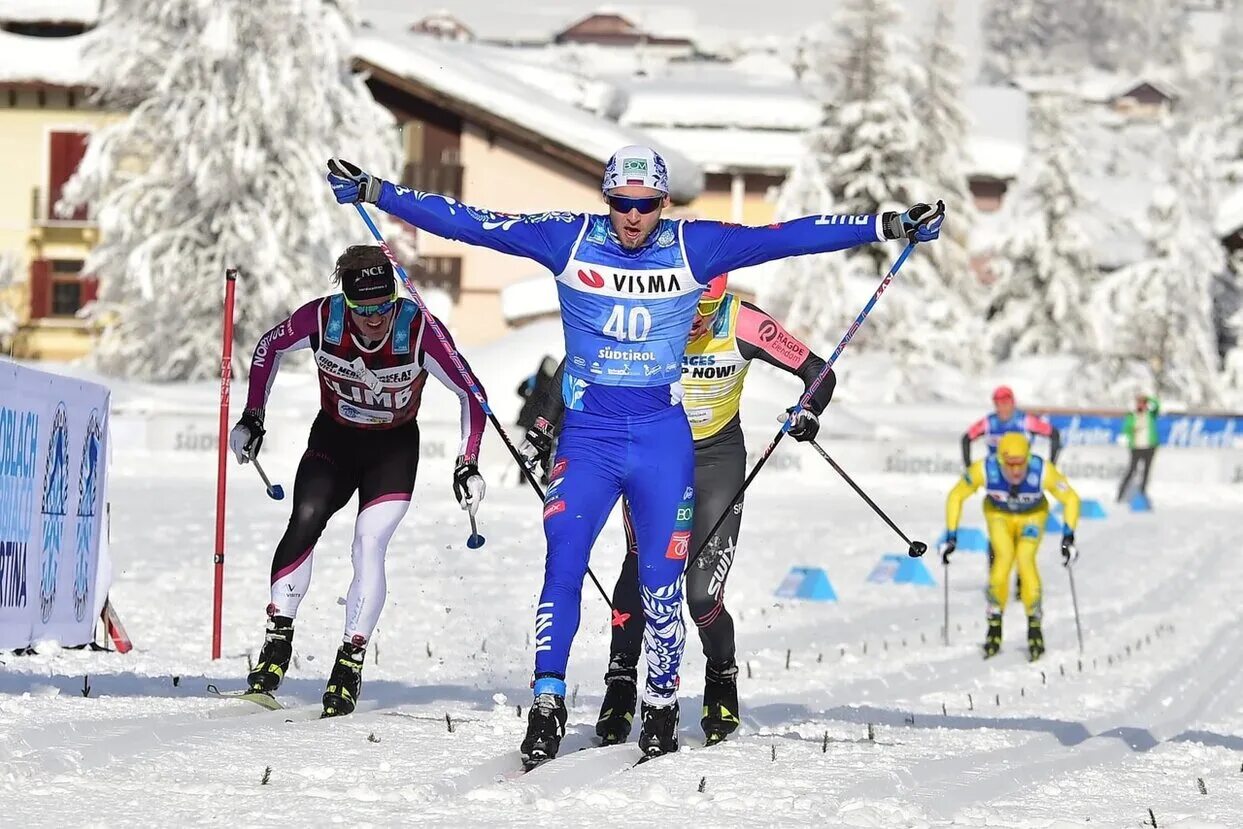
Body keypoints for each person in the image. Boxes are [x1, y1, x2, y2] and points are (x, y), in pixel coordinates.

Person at [325, 147, 943, 764]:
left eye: (645, 206)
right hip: (590, 435)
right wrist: (378, 192)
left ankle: (662, 703)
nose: (632, 217)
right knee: (562, 562)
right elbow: (472, 222)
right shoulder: (569, 240)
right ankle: (548, 704)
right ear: (606, 199)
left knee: (660, 583)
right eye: (621, 204)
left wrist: (886, 225)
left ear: (663, 204)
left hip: (661, 440)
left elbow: (787, 237)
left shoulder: (694, 247)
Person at [521, 274, 833, 747]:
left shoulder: (741, 321)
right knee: (639, 565)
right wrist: (545, 422)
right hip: (654, 456)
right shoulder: (647, 311)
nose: (689, 324)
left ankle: (721, 674)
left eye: (700, 314)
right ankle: (622, 680)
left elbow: (817, 370)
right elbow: (579, 362)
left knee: (702, 594)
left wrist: (808, 410)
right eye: (683, 310)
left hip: (714, 460)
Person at [229, 245, 487, 717]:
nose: (374, 320)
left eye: (383, 306)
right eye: (363, 309)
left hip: (392, 449)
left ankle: (349, 663)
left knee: (368, 544)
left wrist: (466, 462)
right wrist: (253, 416)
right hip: (335, 441)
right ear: (347, 302)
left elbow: (471, 391)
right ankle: (276, 648)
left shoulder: (418, 329)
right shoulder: (322, 318)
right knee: (305, 519)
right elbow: (268, 348)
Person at [940, 432, 1081, 662]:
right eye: (1010, 465)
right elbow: (956, 495)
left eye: (1020, 464)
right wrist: (951, 535)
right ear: (999, 460)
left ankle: (1034, 625)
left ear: (1028, 457)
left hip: (1032, 516)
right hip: (999, 516)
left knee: (1026, 560)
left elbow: (1071, 498)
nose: (1016, 471)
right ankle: (994, 625)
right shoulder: (985, 469)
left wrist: (1068, 536)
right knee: (1003, 559)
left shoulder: (1042, 470)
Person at [1117, 394, 1159, 504]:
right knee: (1131, 470)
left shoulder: (1150, 415)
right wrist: (1126, 437)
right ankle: (1120, 494)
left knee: (1146, 472)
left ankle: (1142, 495)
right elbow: (1126, 428)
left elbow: (1157, 405)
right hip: (1136, 447)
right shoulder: (1132, 416)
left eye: (1143, 403)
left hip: (1149, 446)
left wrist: (1148, 398)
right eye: (1139, 403)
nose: (1141, 405)